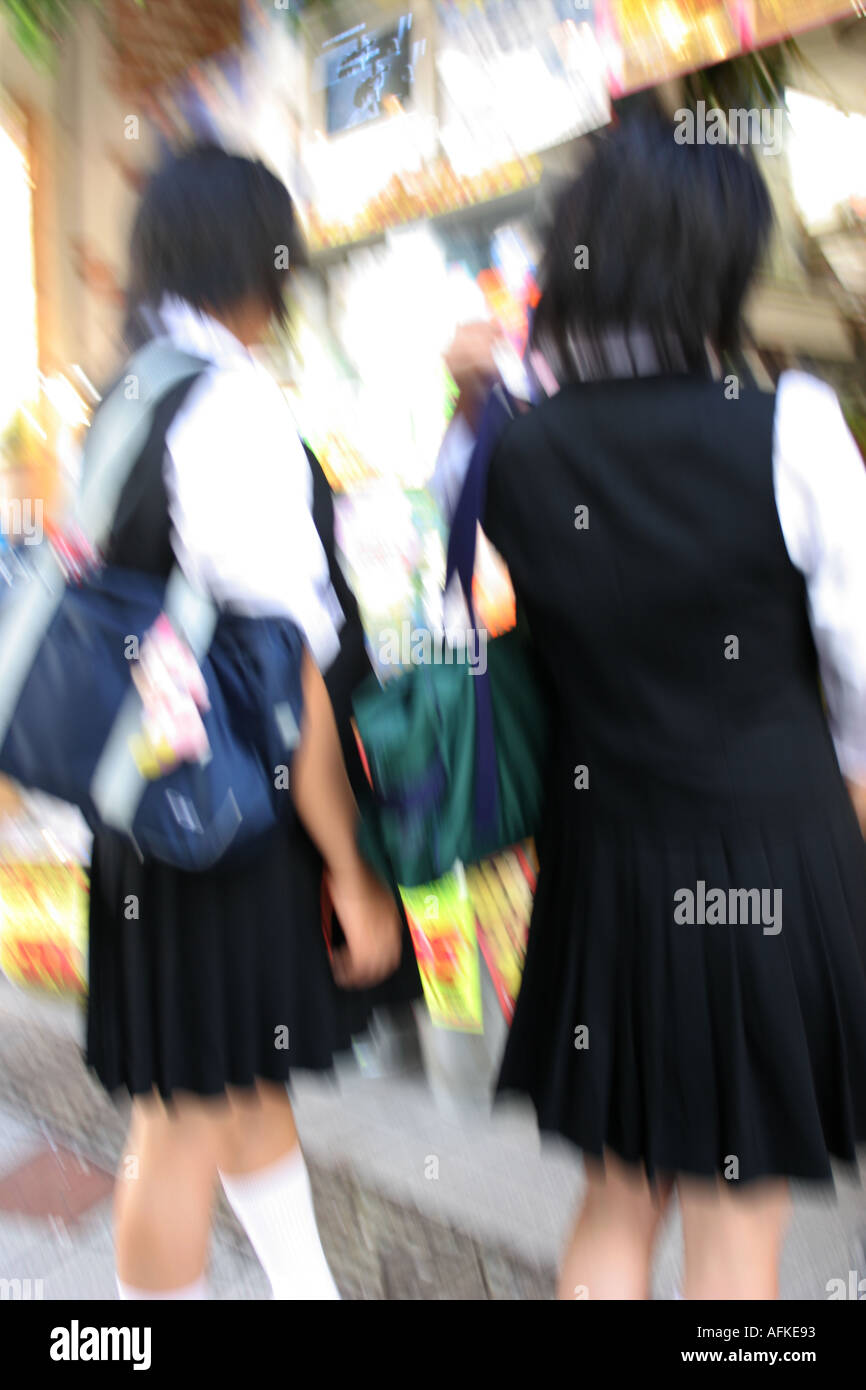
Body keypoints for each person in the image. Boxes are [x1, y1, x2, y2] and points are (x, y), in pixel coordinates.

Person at [447, 118, 866, 1299]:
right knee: (738, 1229)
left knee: (617, 1192)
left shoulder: (508, 452)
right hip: (773, 859)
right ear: (712, 267)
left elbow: (487, 641)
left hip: (602, 869)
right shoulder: (790, 425)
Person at [86, 145, 403, 1300]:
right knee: (182, 1116)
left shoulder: (128, 392)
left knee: (230, 1081)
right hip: (225, 811)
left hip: (156, 796)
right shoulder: (229, 403)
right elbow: (291, 673)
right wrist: (349, 867)